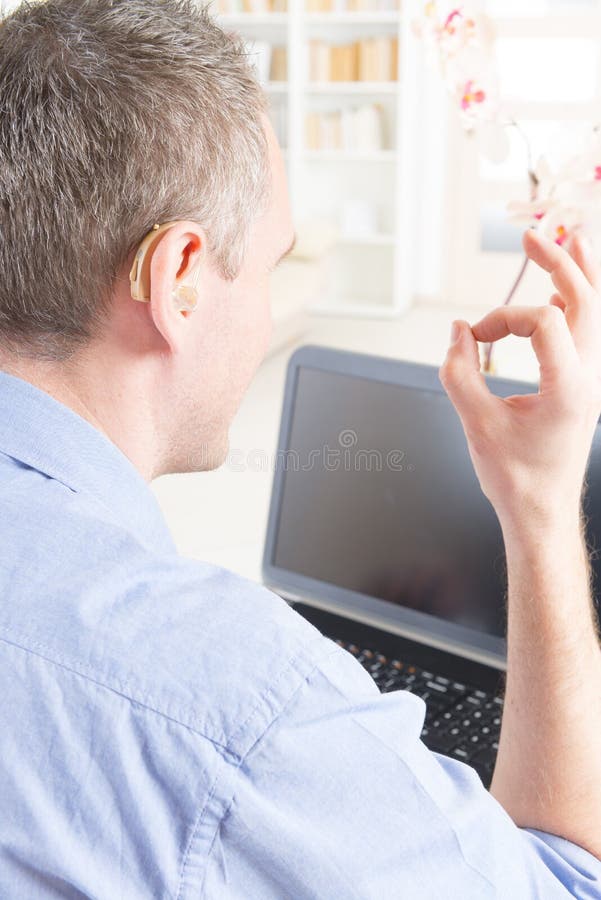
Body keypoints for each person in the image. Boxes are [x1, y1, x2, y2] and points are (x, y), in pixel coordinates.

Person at [0, 0, 599, 897]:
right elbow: (561, 882)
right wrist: (542, 505)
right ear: (179, 279)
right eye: (271, 263)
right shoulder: (246, 710)